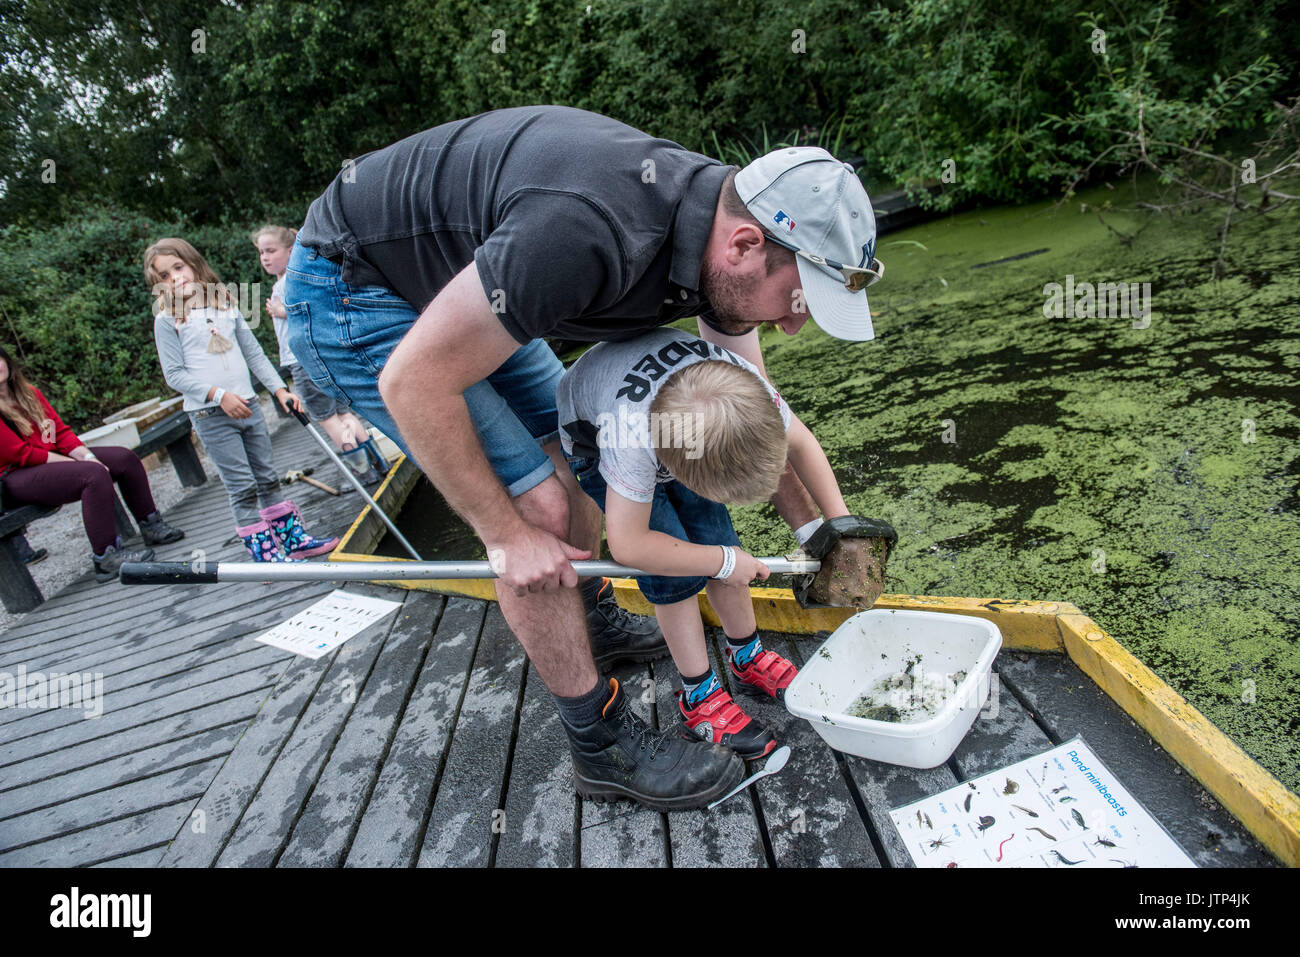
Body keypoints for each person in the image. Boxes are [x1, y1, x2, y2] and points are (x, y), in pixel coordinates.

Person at [285, 106, 885, 811]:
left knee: (572, 469)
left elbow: (766, 420)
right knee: (536, 510)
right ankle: (599, 743)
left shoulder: (727, 250)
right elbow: (412, 382)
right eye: (796, 298)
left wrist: (828, 535)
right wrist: (505, 537)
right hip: (358, 288)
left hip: (473, 287)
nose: (791, 322)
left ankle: (593, 614)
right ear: (746, 245)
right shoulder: (585, 234)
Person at [558, 329, 855, 758]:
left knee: (719, 538)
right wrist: (720, 562)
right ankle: (698, 696)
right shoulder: (630, 441)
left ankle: (746, 657)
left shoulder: (748, 389)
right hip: (597, 438)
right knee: (671, 575)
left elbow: (803, 442)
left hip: (681, 423)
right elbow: (630, 545)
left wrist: (838, 527)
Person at [144, 238, 339, 563]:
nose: (175, 278)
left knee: (266, 477)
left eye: (178, 267)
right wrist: (219, 397)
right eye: (164, 276)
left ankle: (293, 541)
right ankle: (266, 556)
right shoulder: (167, 319)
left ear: (192, 263)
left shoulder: (223, 303)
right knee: (243, 486)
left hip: (248, 405)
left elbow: (254, 354)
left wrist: (280, 389)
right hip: (211, 414)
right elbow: (174, 376)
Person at [0, 344, 184, 582]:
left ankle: (151, 525)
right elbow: (21, 454)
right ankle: (106, 557)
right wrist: (79, 465)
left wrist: (88, 457)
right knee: (92, 475)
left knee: (123, 458)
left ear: (7, 361)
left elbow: (61, 434)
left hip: (50, 460)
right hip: (16, 477)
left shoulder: (29, 393)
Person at [252, 225, 389, 488]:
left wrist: (282, 311)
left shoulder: (284, 285)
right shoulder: (302, 276)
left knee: (327, 419)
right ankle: (378, 462)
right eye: (261, 253)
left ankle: (363, 474)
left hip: (301, 361)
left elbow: (303, 311)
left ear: (290, 250)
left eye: (271, 251)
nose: (265, 258)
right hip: (321, 356)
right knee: (345, 413)